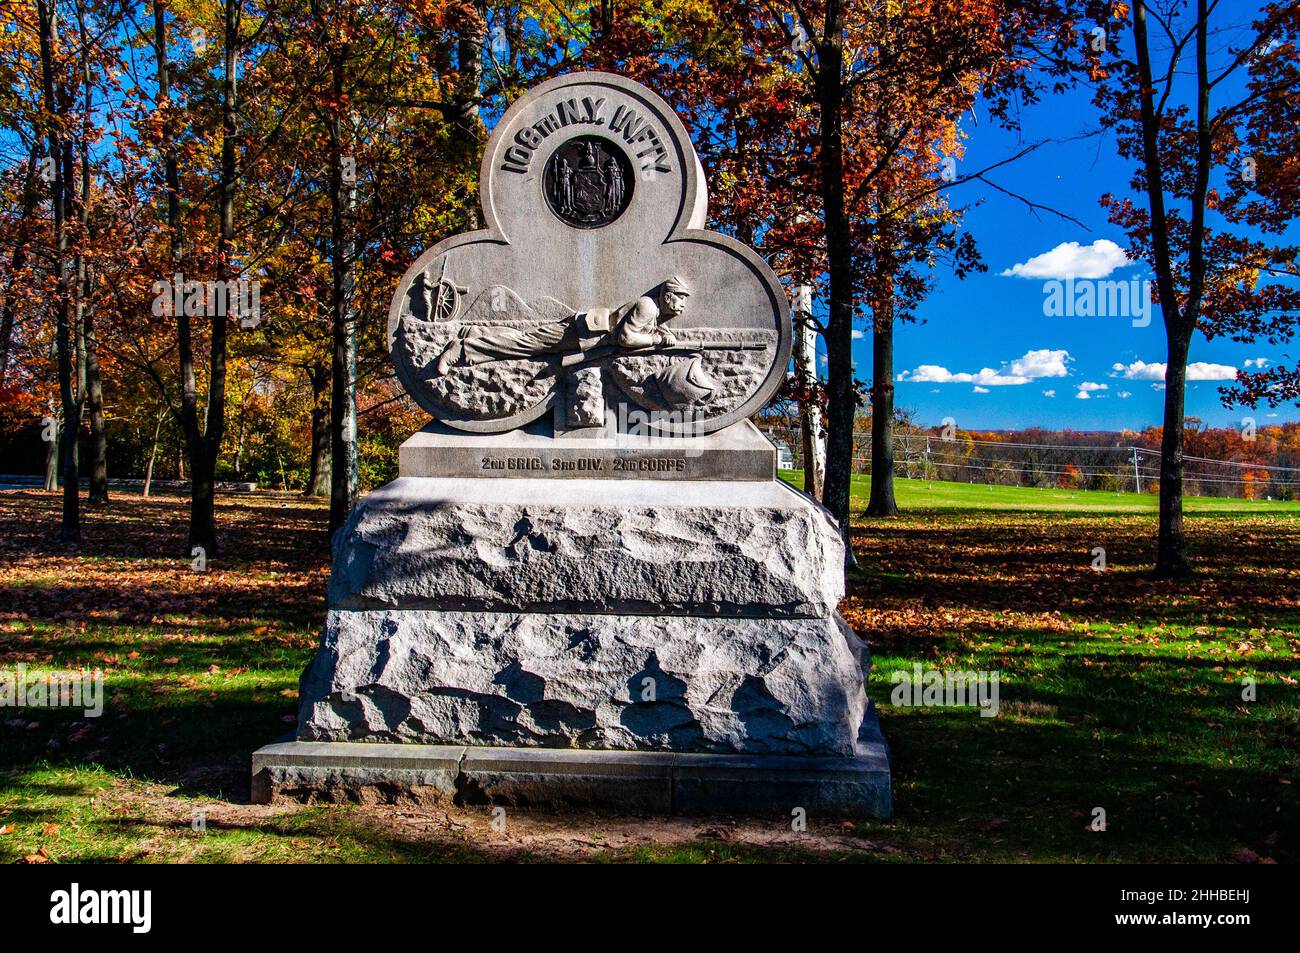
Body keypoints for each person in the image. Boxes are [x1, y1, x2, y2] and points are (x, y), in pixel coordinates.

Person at [434, 276, 690, 375]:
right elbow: (626, 338)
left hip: (584, 334)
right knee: (526, 344)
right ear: (667, 296)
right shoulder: (648, 306)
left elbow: (640, 330)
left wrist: (660, 332)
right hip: (580, 334)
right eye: (681, 298)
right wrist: (656, 340)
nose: (683, 305)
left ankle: (479, 334)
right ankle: (462, 351)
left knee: (527, 342)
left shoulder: (653, 311)